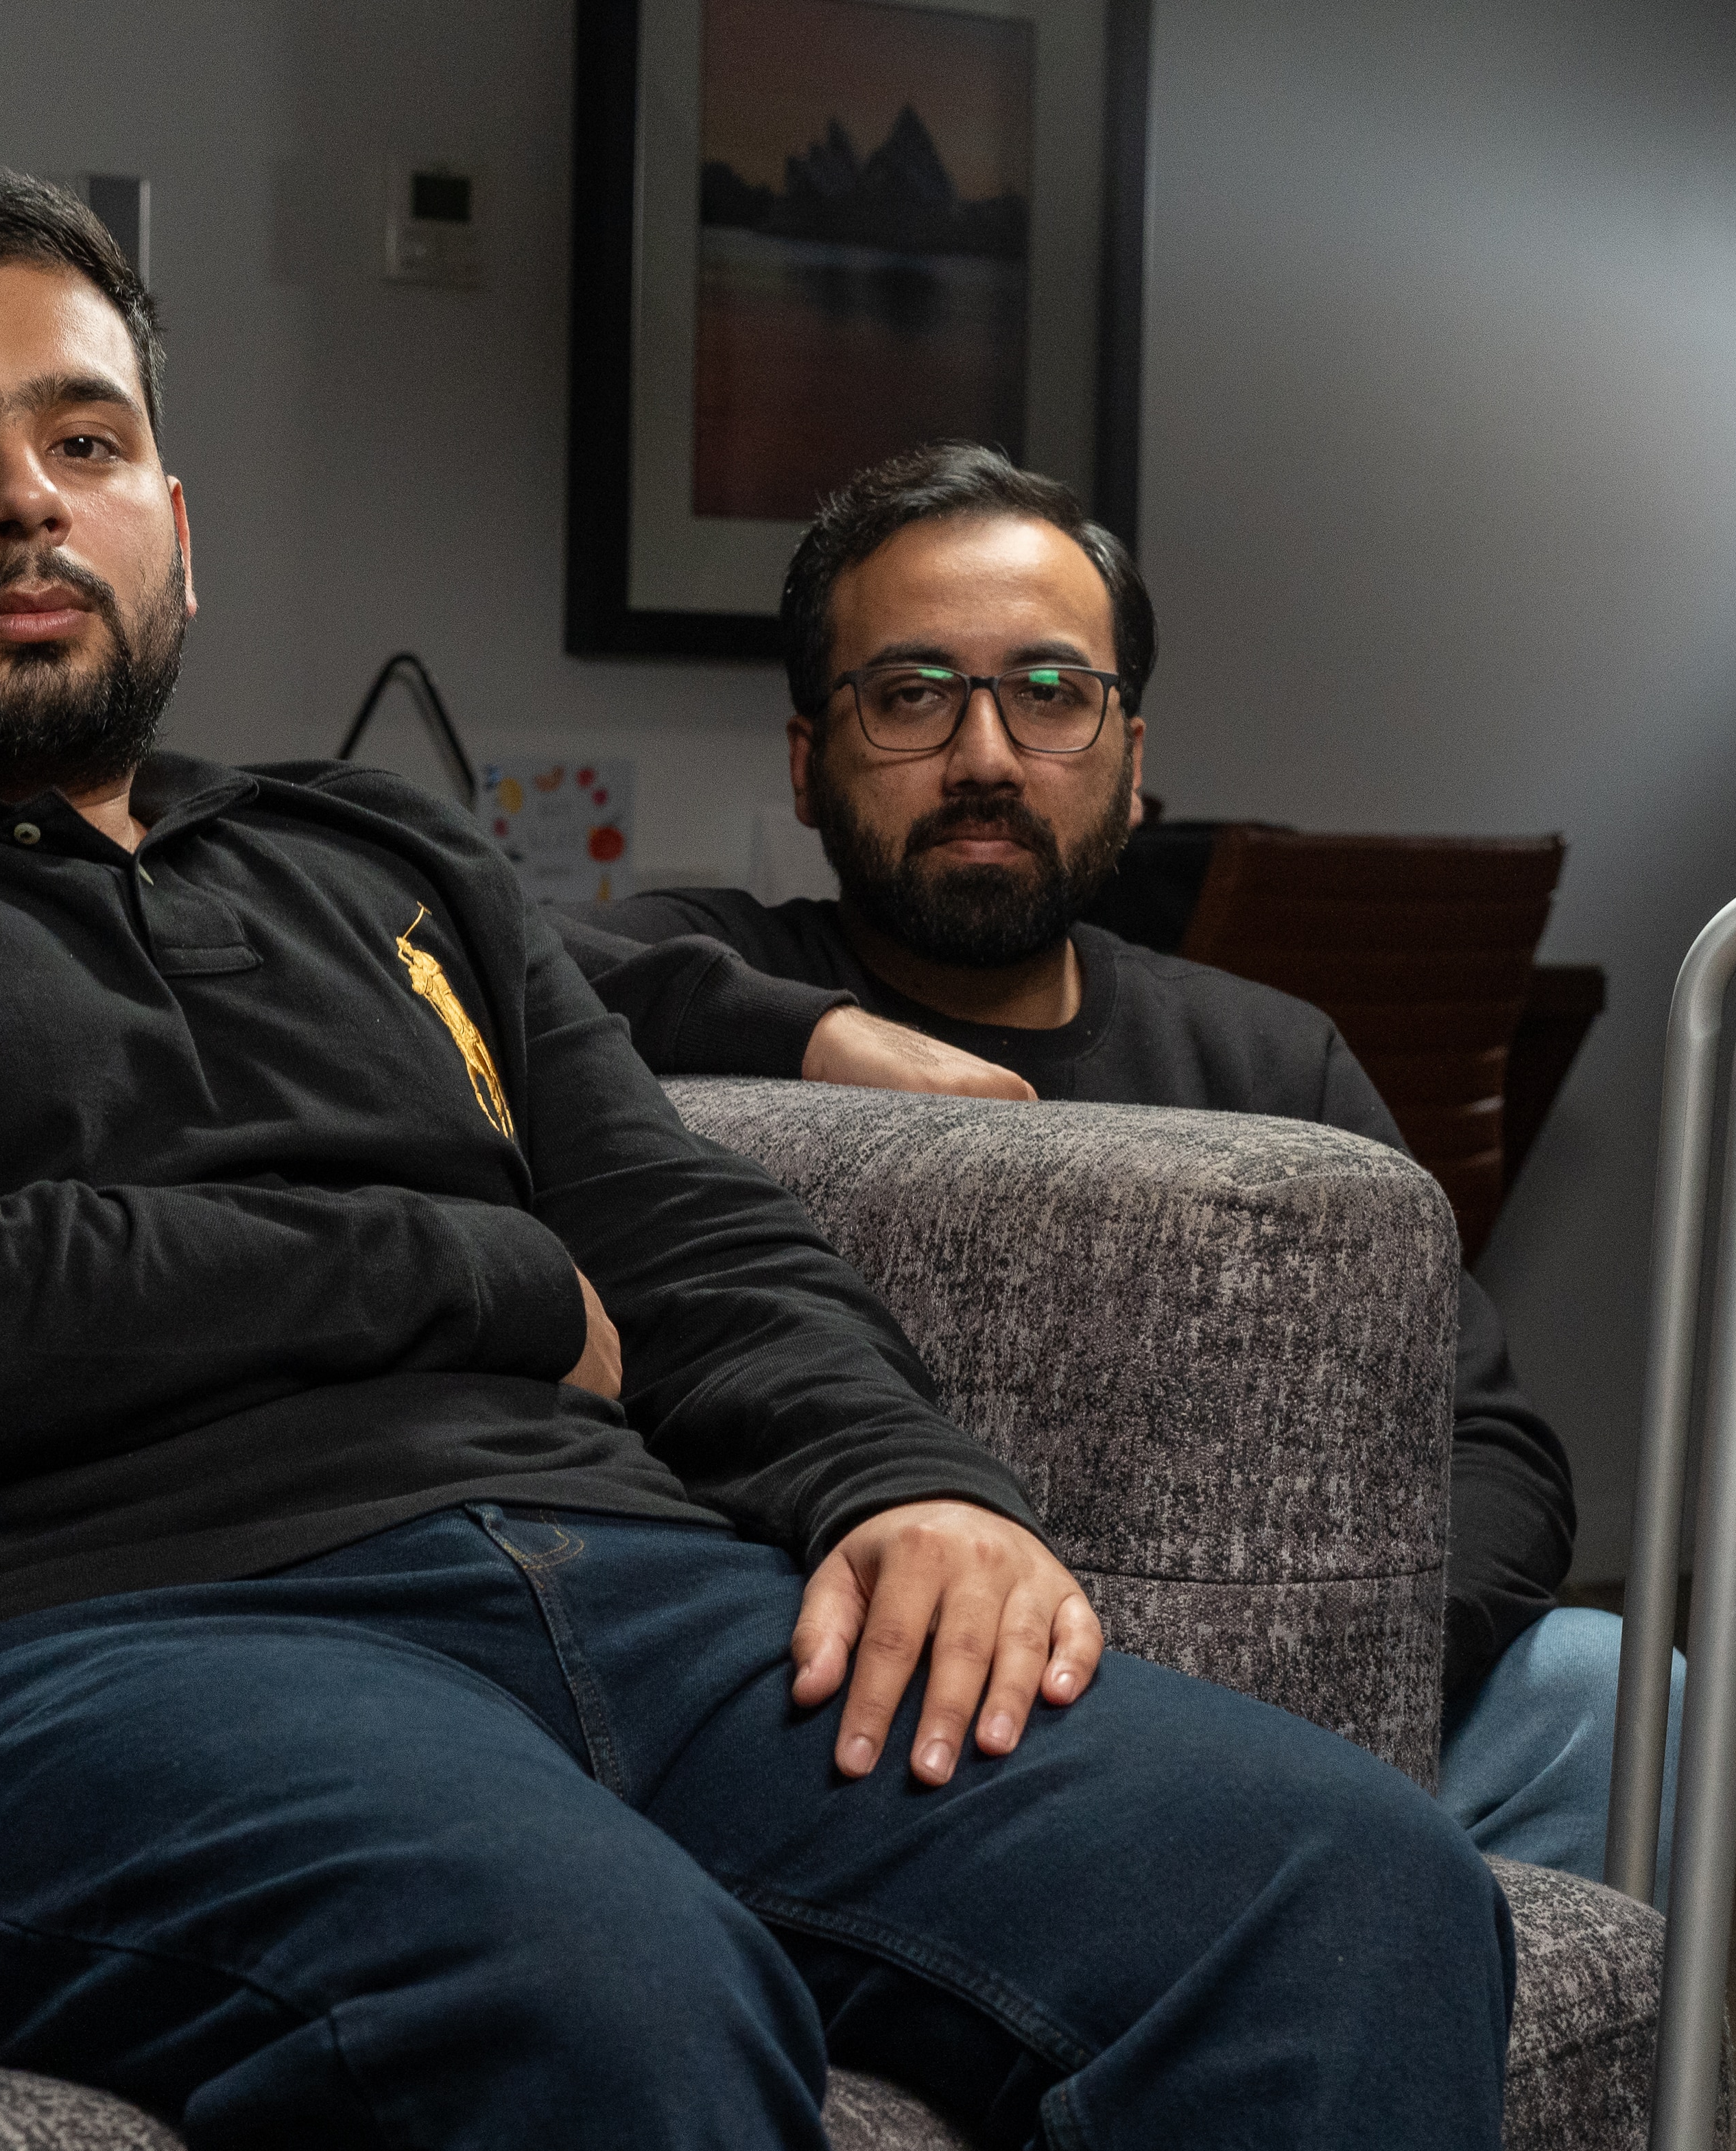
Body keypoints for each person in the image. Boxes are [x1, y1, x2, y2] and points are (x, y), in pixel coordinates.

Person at [0, 172, 1514, 2151]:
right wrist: (479, 1274)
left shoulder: (383, 858)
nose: (19, 505)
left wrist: (911, 1483)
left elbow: (685, 1238)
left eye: (81, 439)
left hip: (625, 1593)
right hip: (31, 1655)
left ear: (177, 515)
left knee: (1338, 1892)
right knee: (599, 1982)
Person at [552, 442, 1678, 1888]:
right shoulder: (719, 974)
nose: (982, 757)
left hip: (1259, 1684)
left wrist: (1294, 1661)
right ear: (807, 759)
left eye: (1049, 695)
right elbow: (449, 942)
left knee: (1608, 1681)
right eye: (909, 695)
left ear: (1131, 763)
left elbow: (1489, 1447)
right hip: (895, 1714)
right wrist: (822, 1034)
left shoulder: (1271, 1065)